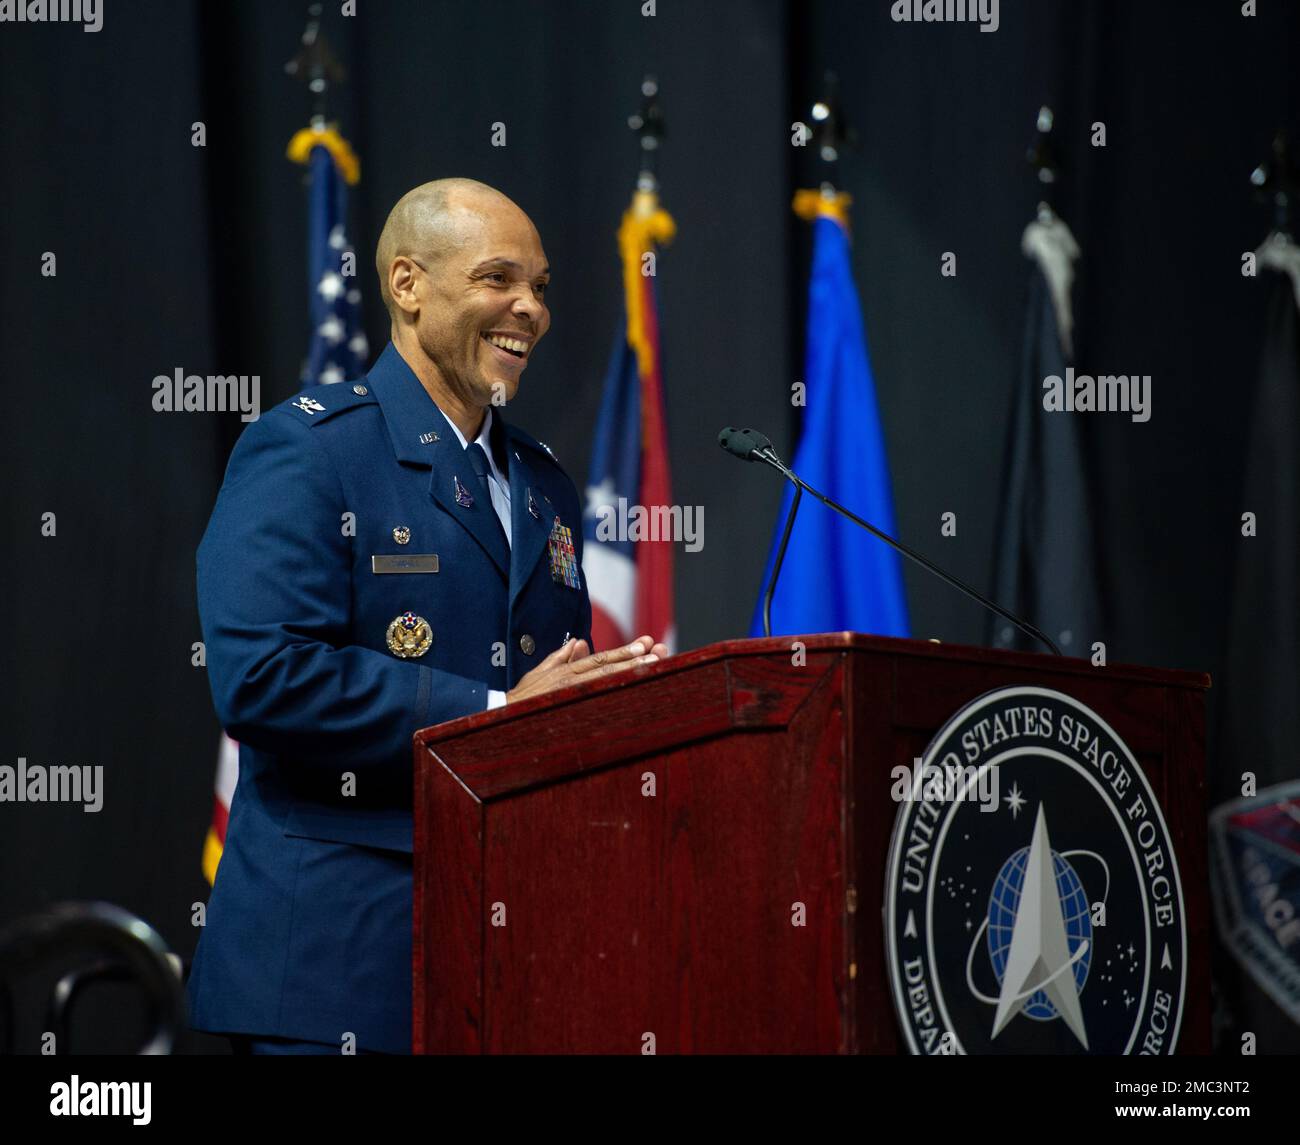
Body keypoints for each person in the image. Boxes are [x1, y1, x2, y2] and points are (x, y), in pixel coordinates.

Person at [188, 177, 669, 1054]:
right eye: (499, 278)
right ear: (408, 285)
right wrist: (494, 718)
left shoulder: (544, 483)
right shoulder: (310, 450)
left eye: (542, 286)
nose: (530, 309)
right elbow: (264, 677)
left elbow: (557, 697)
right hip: (337, 975)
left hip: (509, 969)